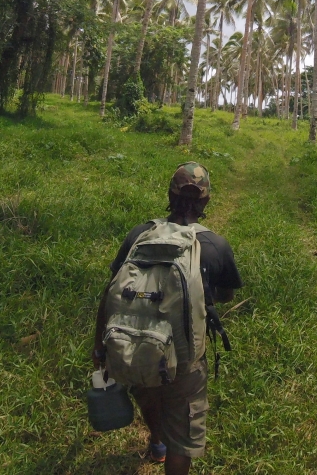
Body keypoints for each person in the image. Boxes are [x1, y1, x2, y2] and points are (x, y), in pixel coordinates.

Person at [93, 162, 242, 475]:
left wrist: (99, 348)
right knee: (183, 435)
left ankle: (156, 440)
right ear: (206, 201)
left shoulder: (139, 234)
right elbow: (225, 296)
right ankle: (168, 446)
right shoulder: (216, 245)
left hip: (132, 346)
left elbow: (110, 294)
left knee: (148, 390)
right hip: (184, 360)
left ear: (170, 195)